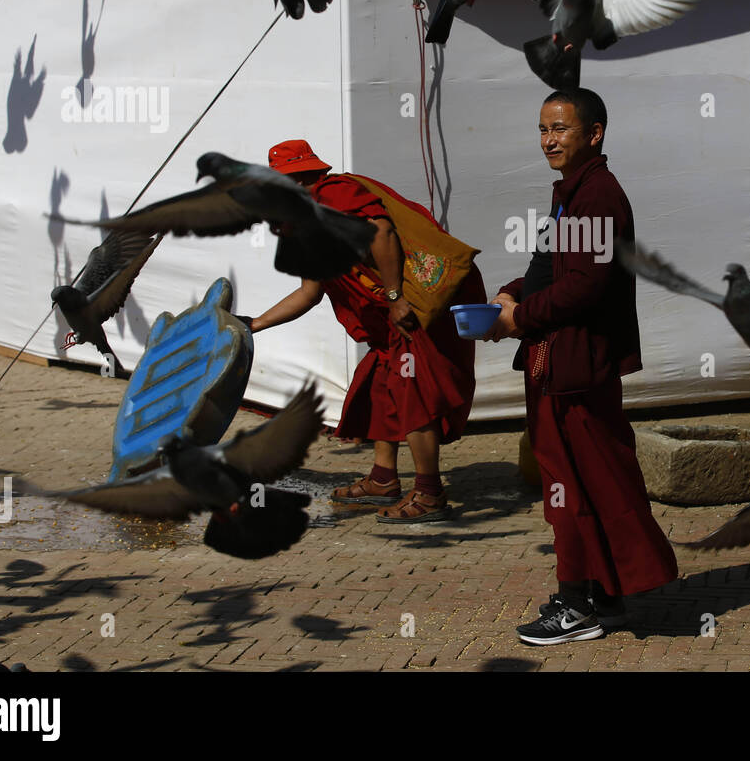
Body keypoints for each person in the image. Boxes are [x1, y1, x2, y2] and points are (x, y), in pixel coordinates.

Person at [487, 89, 677, 645]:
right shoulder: (572, 193)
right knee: (588, 481)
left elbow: (586, 289)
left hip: (576, 366)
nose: (549, 140)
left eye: (561, 128)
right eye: (543, 129)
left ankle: (578, 604)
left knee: (573, 484)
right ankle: (607, 598)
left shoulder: (598, 197)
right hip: (562, 361)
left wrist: (518, 317)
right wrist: (511, 292)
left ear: (594, 133)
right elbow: (552, 270)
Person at [247, 140, 484, 523]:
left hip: (415, 303)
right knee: (380, 385)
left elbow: (382, 233)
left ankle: (429, 494)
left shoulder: (333, 194)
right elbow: (310, 293)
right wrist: (253, 325)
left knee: (413, 391)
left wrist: (394, 298)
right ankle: (383, 479)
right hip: (394, 310)